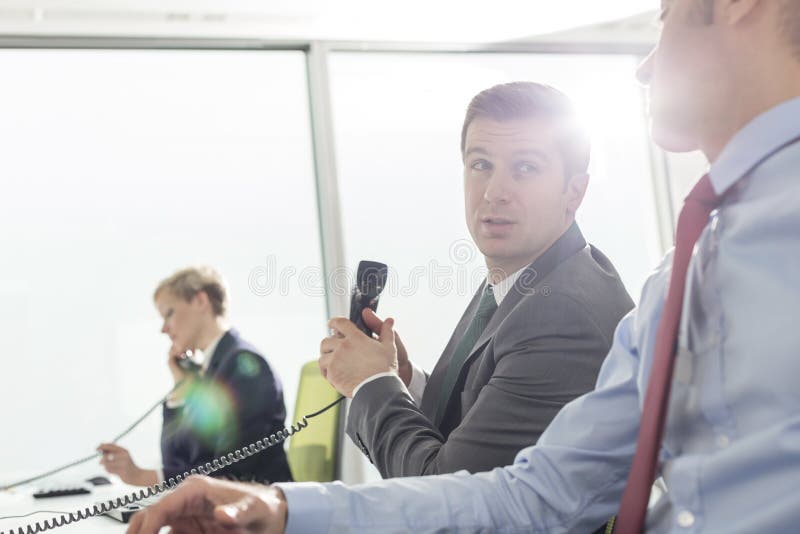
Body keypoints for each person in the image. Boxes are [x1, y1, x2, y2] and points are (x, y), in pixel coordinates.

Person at [127, 0, 800, 532]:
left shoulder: (571, 303)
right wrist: (285, 508)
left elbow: (448, 477)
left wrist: (371, 389)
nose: (644, 66)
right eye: (480, 165)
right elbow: (538, 493)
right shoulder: (675, 275)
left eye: (664, 15)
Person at [319, 81, 633, 478]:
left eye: (526, 168)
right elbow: (475, 428)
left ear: (574, 191)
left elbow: (446, 495)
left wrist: (371, 384)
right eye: (481, 165)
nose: (494, 192)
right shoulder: (522, 280)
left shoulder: (560, 313)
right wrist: (403, 380)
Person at [98, 266, 293, 486]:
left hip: (255, 510)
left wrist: (143, 476)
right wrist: (181, 389)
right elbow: (178, 460)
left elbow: (228, 472)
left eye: (169, 313)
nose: (164, 329)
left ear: (201, 301)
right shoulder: (209, 373)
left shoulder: (244, 367)